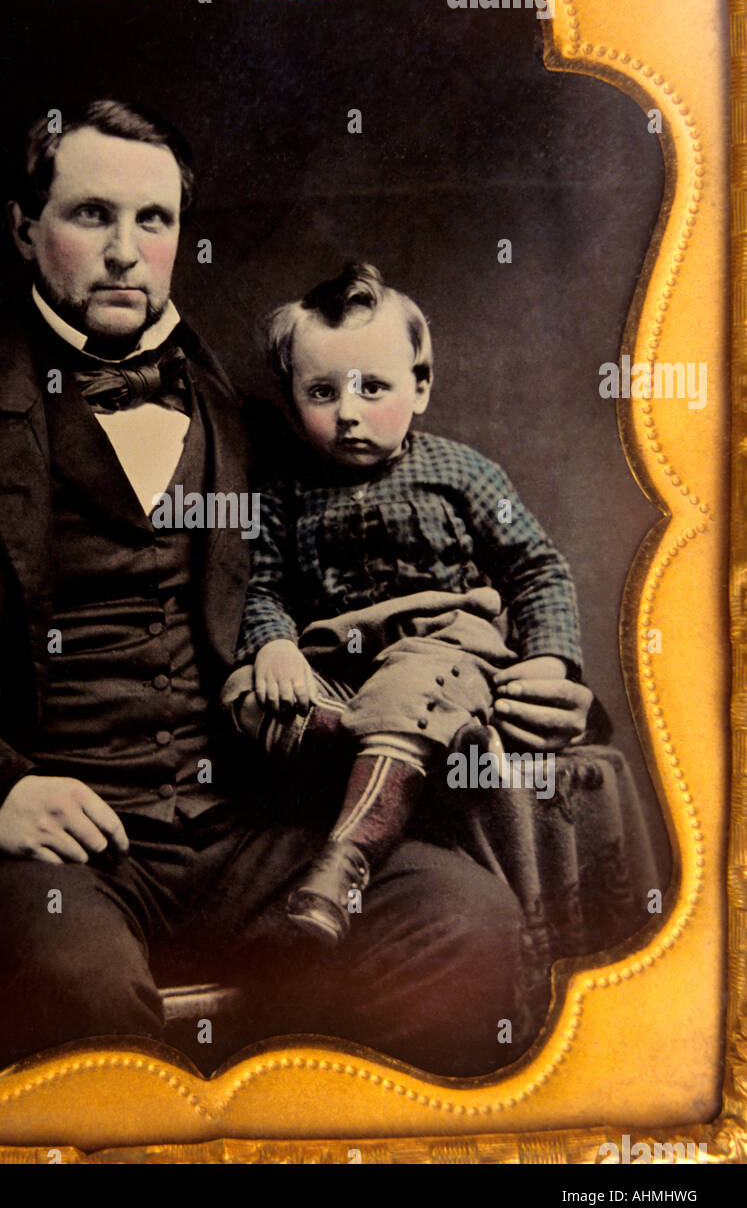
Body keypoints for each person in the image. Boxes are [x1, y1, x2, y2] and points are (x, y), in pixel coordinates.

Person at [0, 99, 595, 1081]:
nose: (127, 251)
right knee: (78, 1002)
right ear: (23, 229)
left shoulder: (261, 419)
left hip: (236, 827)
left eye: (155, 220)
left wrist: (545, 667)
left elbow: (420, 572)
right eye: (92, 216)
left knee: (464, 924)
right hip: (50, 848)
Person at [223, 264, 583, 945]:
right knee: (243, 691)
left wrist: (551, 662)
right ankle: (378, 755)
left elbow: (536, 568)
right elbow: (262, 586)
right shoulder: (282, 495)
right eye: (321, 392)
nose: (348, 412)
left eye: (373, 388)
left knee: (414, 682)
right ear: (292, 402)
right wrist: (272, 645)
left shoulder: (459, 472)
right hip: (337, 666)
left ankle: (344, 861)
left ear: (419, 387)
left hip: (440, 651)